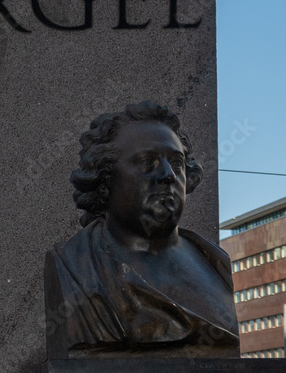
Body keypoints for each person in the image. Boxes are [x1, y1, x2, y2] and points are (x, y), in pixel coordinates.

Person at [45, 100, 240, 357]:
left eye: (177, 163)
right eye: (148, 162)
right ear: (105, 181)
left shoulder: (215, 261)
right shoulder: (75, 266)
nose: (168, 175)